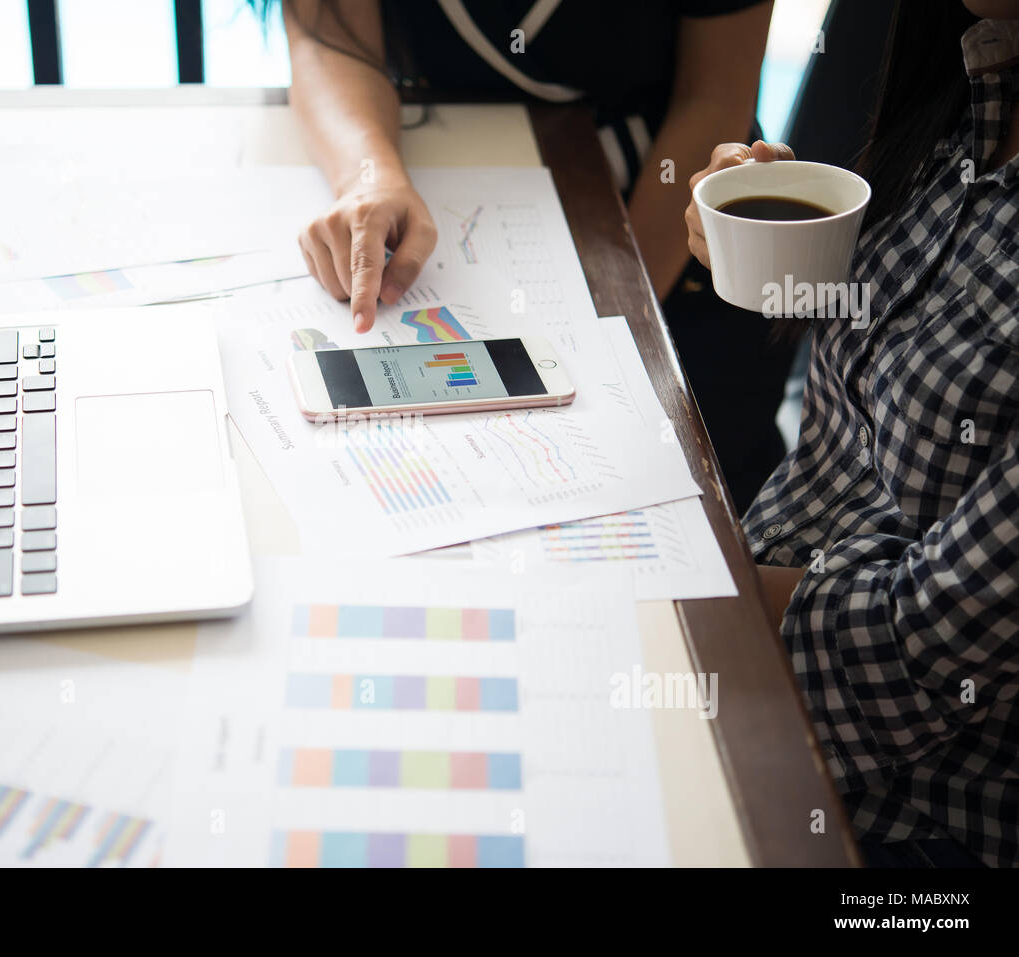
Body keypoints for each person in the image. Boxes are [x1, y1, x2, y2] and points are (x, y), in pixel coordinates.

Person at [686, 2, 1019, 867]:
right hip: (767, 642)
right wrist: (763, 242)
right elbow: (901, 364)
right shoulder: (977, 81)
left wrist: (686, 600)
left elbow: (928, 636)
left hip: (920, 827)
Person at [265, 0, 791, 514]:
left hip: (679, 242)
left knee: (695, 496)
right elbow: (331, 42)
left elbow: (713, 97)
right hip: (445, 169)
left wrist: (609, 319)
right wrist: (369, 178)